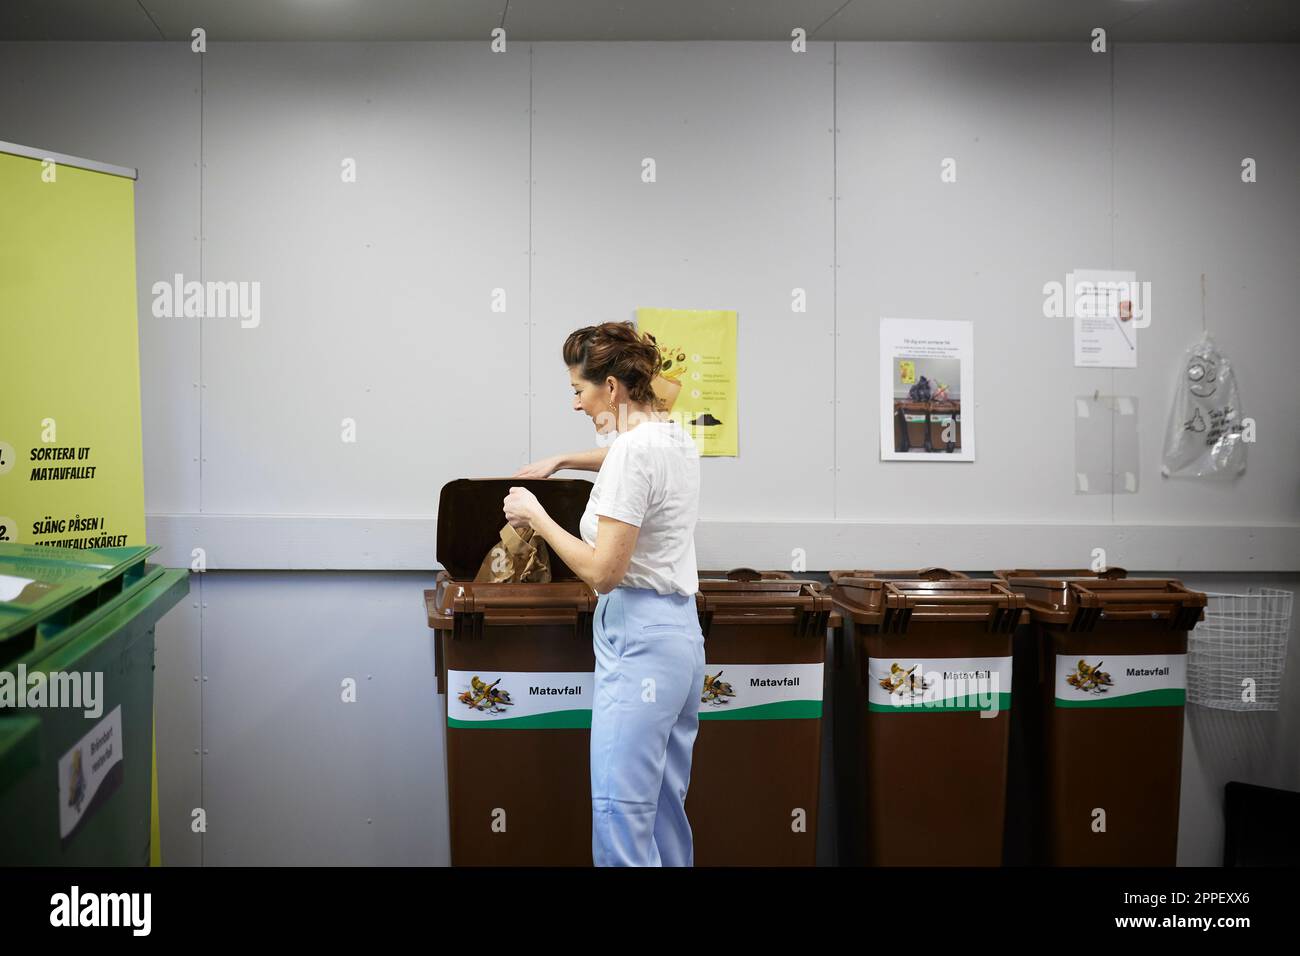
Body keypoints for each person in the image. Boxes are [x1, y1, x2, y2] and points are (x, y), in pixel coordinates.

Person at [502, 321, 705, 867]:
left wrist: (535, 515)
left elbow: (603, 572)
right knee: (662, 809)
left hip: (638, 639)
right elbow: (630, 456)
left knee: (621, 814)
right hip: (681, 637)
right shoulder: (675, 437)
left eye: (578, 389)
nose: (575, 402)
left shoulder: (635, 453)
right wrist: (564, 460)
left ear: (611, 388)